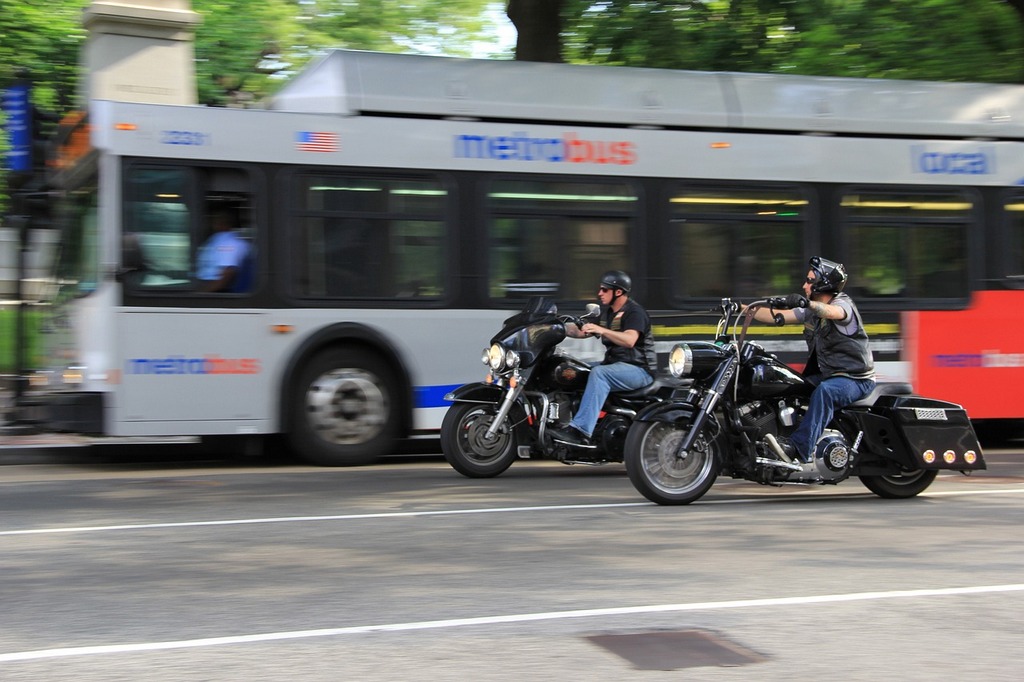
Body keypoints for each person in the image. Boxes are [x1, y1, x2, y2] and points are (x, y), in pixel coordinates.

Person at [748, 256, 875, 462]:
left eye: (809, 281)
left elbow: (834, 312)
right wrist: (744, 309)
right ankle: (776, 439)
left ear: (821, 284)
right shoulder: (810, 311)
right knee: (785, 385)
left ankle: (798, 449)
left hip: (854, 379)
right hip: (827, 375)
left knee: (825, 392)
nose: (804, 285)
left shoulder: (843, 305)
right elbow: (776, 315)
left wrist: (807, 303)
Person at [547, 270, 657, 447]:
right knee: (571, 370)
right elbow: (581, 331)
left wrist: (602, 330)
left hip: (639, 369)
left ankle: (580, 431)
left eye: (604, 290)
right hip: (615, 365)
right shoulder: (607, 314)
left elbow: (630, 340)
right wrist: (553, 327)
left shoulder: (634, 312)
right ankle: (563, 423)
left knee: (599, 374)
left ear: (618, 292)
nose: (599, 293)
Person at [195, 205, 251, 293]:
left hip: (217, 291)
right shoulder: (215, 238)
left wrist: (199, 294)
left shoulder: (230, 243)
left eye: (216, 220)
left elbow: (226, 275)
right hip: (205, 284)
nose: (213, 224)